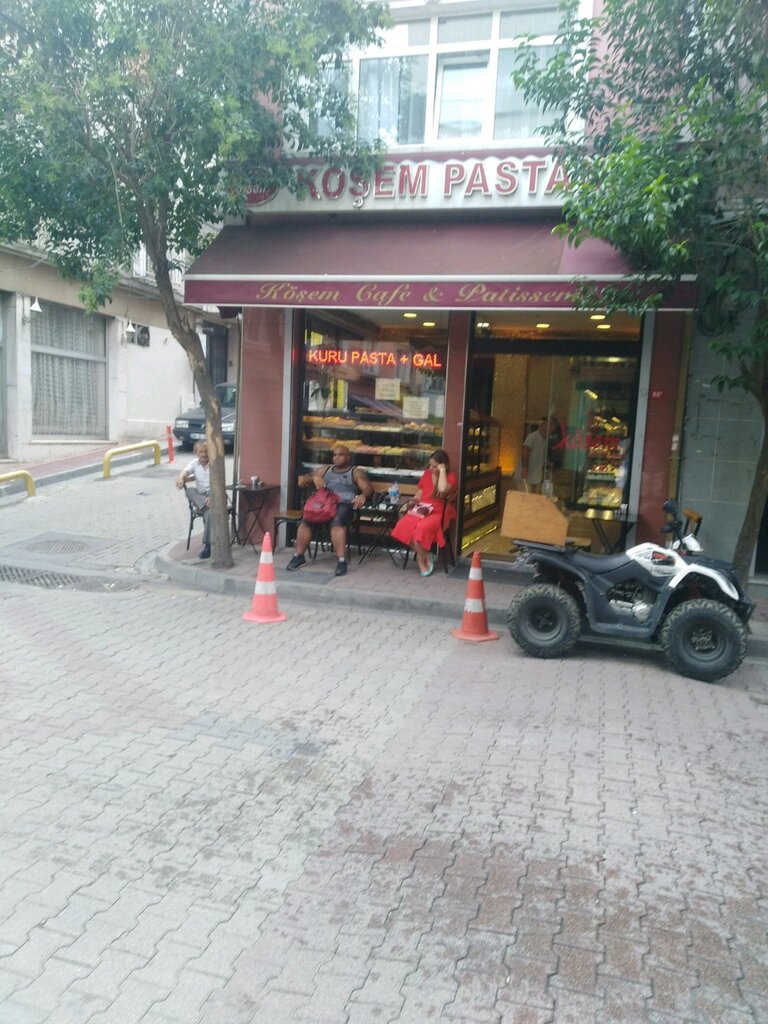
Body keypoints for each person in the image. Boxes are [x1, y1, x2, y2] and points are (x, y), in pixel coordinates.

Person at [286, 445, 373, 577]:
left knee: (337, 521)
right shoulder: (325, 470)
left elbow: (368, 488)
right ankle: (298, 556)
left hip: (343, 504)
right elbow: (301, 482)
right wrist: (313, 478)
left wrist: (362, 496)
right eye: (334, 455)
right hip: (323, 504)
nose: (336, 457)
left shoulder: (355, 472)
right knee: (306, 521)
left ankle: (341, 560)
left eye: (340, 455)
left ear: (348, 457)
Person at [390, 449, 457, 577]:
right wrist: (414, 500)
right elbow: (420, 492)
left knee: (420, 529)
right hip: (422, 508)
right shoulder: (427, 474)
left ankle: (421, 561)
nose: (430, 468)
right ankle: (426, 554)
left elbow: (442, 489)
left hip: (439, 511)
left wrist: (441, 471)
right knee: (402, 525)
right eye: (430, 465)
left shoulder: (450, 477)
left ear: (443, 465)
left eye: (434, 466)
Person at [176, 440, 211, 558]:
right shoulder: (194, 463)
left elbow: (219, 484)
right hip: (201, 497)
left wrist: (212, 497)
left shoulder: (214, 464)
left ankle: (208, 545)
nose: (204, 454)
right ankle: (204, 506)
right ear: (196, 452)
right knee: (190, 491)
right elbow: (185, 472)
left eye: (206, 451)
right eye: (201, 451)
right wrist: (181, 478)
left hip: (215, 495)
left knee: (209, 514)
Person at [513, 417, 556, 493]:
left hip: (536, 477)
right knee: (526, 500)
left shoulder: (545, 441)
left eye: (552, 430)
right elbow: (525, 451)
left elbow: (540, 456)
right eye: (549, 429)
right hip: (525, 477)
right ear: (543, 426)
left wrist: (548, 463)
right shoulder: (532, 437)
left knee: (534, 500)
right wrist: (525, 468)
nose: (550, 432)